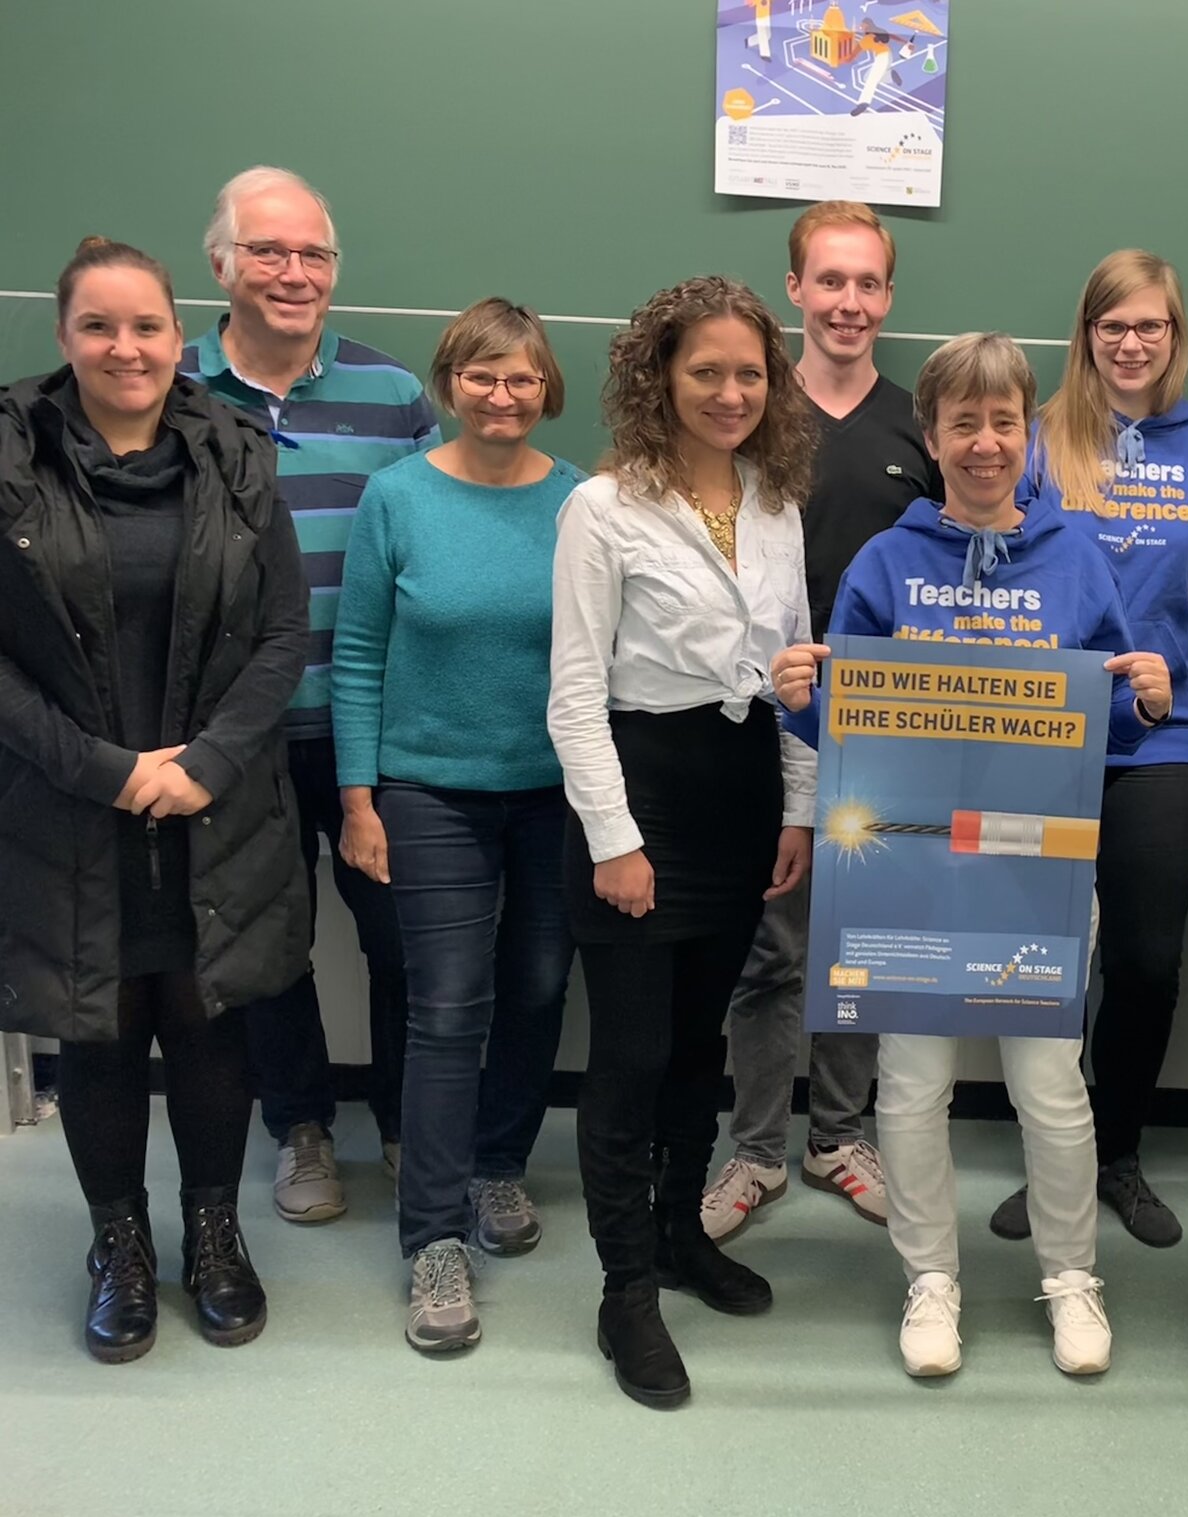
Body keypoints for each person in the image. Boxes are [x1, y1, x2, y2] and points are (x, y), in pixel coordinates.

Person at [771, 331, 1172, 1378]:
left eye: (1003, 422)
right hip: (909, 868)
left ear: (1027, 433)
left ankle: (1069, 1279)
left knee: (1050, 1088)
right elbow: (854, 730)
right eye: (963, 423)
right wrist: (806, 709)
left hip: (1034, 870)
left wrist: (1142, 706)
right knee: (908, 1089)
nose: (985, 443)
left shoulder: (1077, 559)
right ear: (932, 436)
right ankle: (930, 1281)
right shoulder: (887, 563)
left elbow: (1107, 730)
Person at [1, 238, 309, 1361]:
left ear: (179, 335)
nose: (123, 348)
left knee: (208, 1018)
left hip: (215, 806)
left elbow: (283, 633)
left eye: (144, 326)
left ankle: (215, 1235)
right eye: (98, 326)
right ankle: (118, 1244)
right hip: (67, 804)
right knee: (102, 1028)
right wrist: (108, 769)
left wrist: (204, 765)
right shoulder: (8, 459)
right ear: (64, 335)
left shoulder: (235, 454)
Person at [548, 276, 818, 1410]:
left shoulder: (773, 498)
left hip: (740, 798)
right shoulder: (603, 506)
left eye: (749, 372)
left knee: (699, 1049)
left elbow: (795, 667)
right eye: (704, 370)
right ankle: (624, 1294)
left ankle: (676, 1237)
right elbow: (571, 693)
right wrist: (613, 840)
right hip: (641, 802)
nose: (728, 391)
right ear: (657, 375)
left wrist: (797, 804)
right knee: (629, 1059)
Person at [181, 166, 440, 1224]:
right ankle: (300, 1128)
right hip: (235, 738)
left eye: (313, 255)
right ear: (222, 265)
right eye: (268, 252)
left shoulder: (395, 397)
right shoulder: (171, 390)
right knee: (265, 947)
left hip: (375, 732)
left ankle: (403, 1117)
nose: (293, 273)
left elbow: (441, 539)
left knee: (402, 940)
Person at [329, 300, 585, 1354]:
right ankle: (432, 1239)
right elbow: (353, 658)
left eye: (521, 377)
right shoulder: (395, 500)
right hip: (427, 792)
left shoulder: (582, 502)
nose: (502, 394)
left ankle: (495, 1168)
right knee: (446, 1006)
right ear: (448, 385)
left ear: (546, 388)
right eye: (481, 375)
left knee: (535, 988)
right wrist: (358, 801)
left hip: (553, 793)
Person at [988, 250, 1188, 1250]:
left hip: (1165, 739)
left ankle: (1113, 1153)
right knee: (1039, 959)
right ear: (1086, 333)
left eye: (1150, 326)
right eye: (1112, 325)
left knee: (1143, 961)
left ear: (1174, 339)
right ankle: (1047, 1155)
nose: (1130, 343)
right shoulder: (1041, 439)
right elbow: (997, 582)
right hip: (1041, 732)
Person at [701, 201, 937, 1244]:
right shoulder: (739, 409)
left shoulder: (915, 424)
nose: (848, 301)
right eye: (828, 280)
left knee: (861, 951)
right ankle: (753, 1147)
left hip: (886, 740)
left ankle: (838, 1133)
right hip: (755, 728)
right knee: (764, 955)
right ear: (793, 289)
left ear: (888, 296)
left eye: (867, 283)